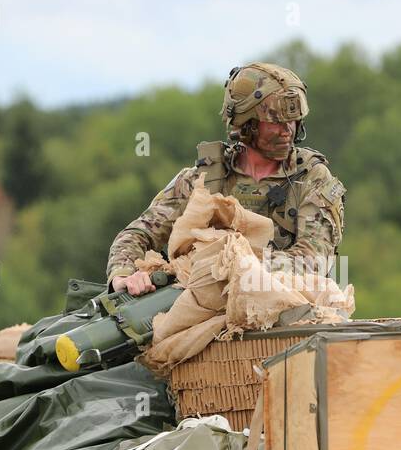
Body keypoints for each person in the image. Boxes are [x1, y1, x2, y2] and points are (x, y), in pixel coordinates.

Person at [107, 62, 347, 295]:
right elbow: (137, 235)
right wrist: (124, 274)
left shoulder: (311, 178)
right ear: (247, 124)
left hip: (284, 305)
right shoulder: (202, 180)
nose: (288, 130)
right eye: (276, 121)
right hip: (202, 305)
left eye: (293, 119)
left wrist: (227, 266)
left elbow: (312, 262)